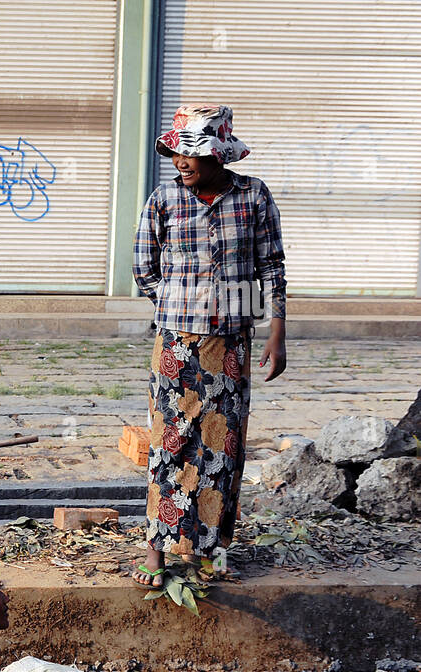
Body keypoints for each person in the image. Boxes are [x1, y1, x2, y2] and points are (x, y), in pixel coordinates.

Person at [131, 105, 287, 586]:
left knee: (223, 451)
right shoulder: (163, 200)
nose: (181, 161)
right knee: (169, 447)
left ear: (219, 155)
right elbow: (144, 268)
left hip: (233, 346)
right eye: (177, 151)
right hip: (176, 345)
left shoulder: (253, 196)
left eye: (191, 153)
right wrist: (182, 304)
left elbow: (272, 268)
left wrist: (277, 332)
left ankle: (210, 556)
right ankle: (158, 553)